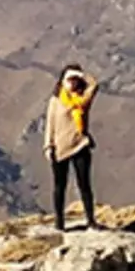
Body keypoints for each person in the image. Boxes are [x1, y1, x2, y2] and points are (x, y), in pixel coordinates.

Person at [44, 65, 100, 232]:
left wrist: (81, 74)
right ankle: (59, 222)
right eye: (69, 79)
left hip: (80, 144)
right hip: (60, 147)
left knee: (84, 185)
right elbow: (50, 124)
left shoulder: (83, 99)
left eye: (75, 80)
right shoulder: (55, 101)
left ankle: (91, 220)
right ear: (62, 81)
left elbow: (95, 85)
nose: (72, 83)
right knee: (59, 186)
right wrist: (48, 146)